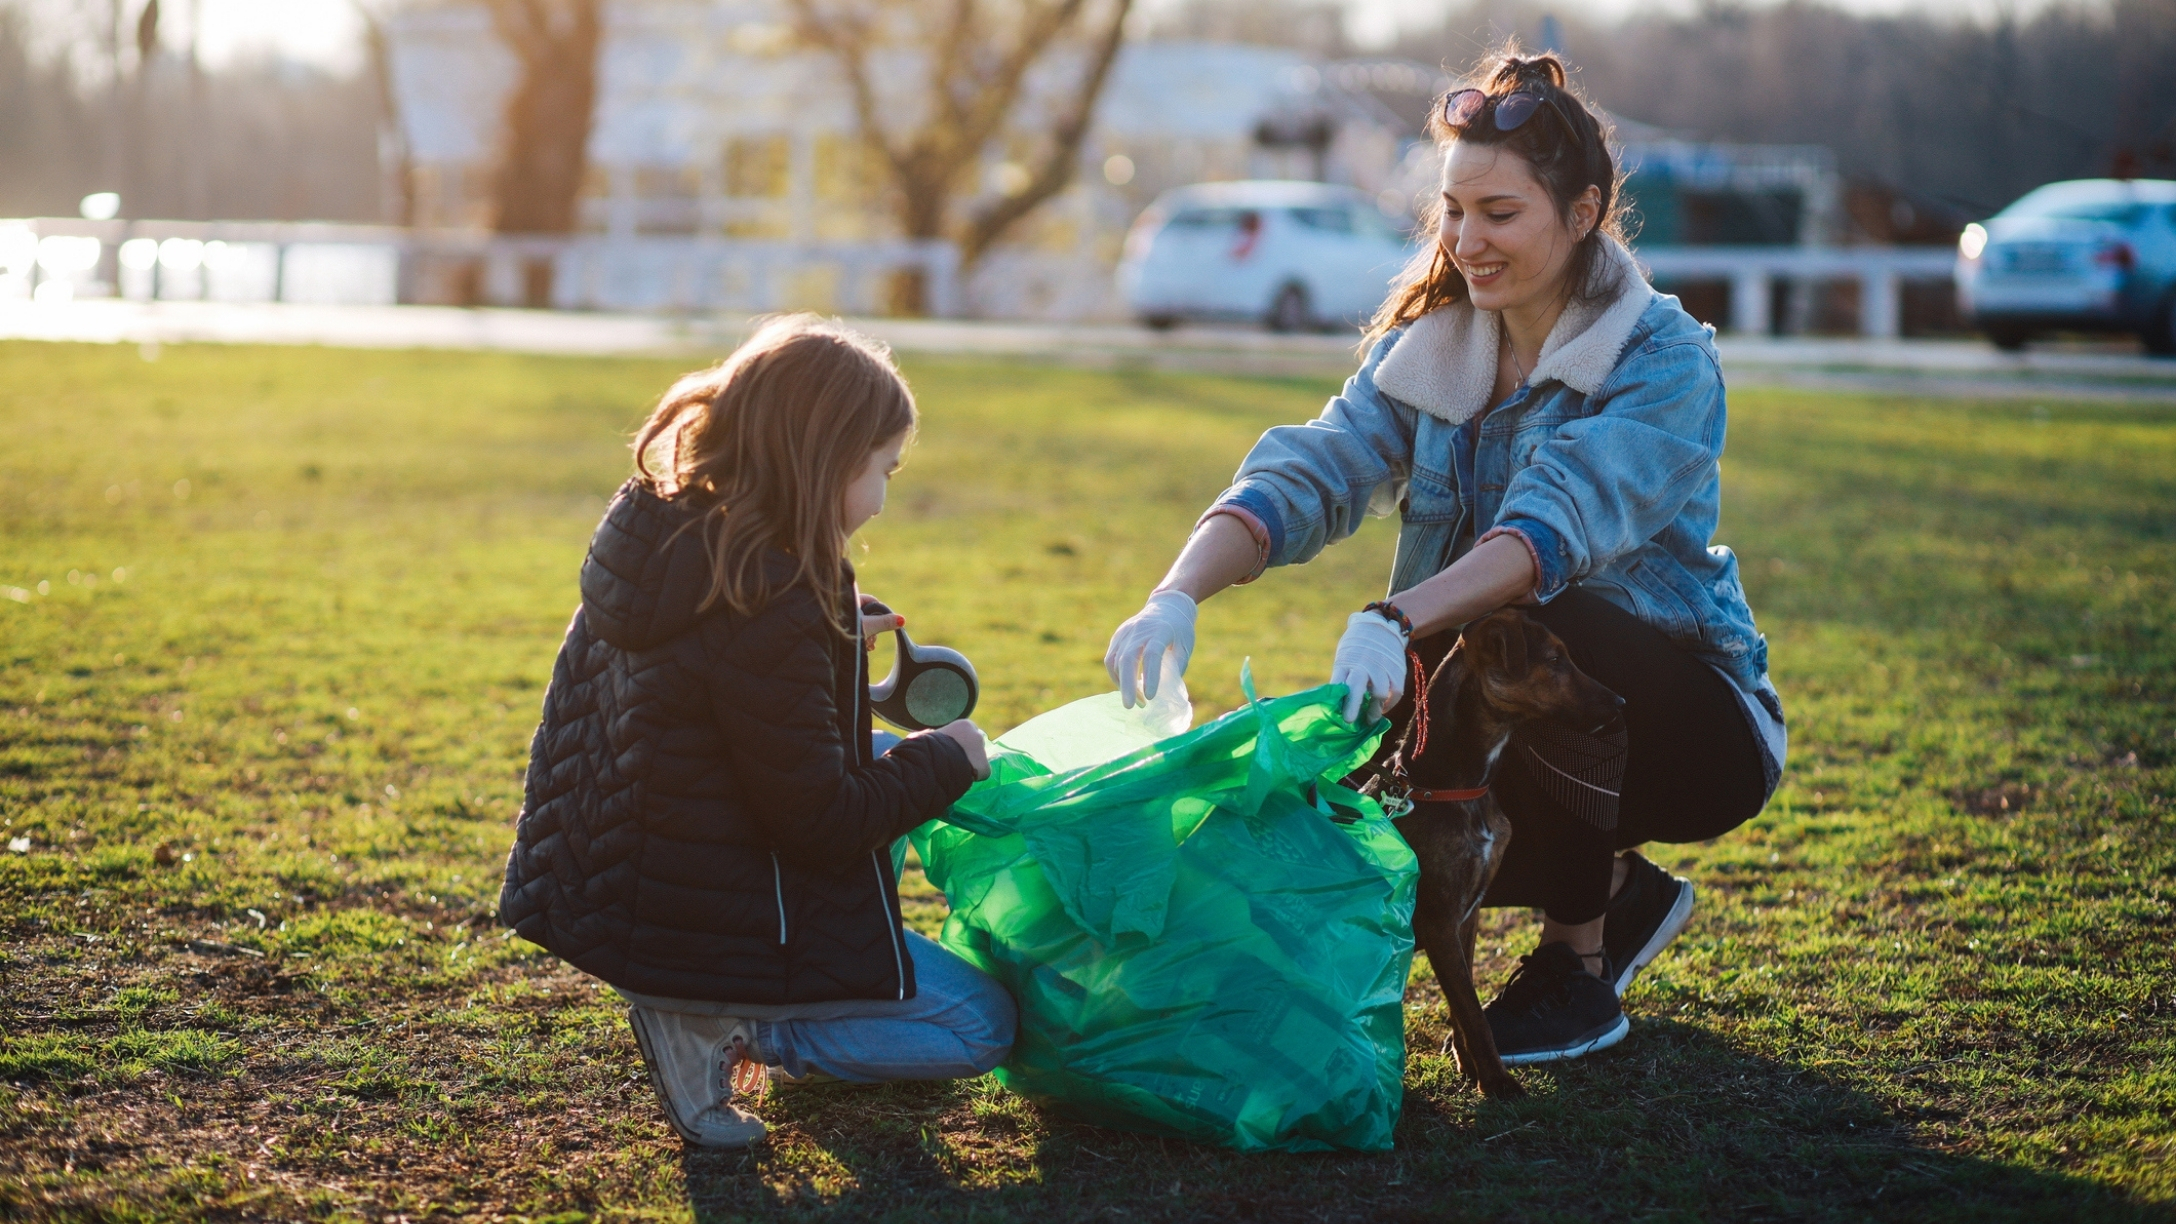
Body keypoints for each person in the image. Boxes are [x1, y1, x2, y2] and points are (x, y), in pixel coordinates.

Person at [1104, 50, 1787, 1067]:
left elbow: (1545, 532)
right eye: (1452, 211)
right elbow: (1312, 471)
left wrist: (1394, 620)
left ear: (1584, 211)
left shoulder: (1662, 361)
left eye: (1500, 213)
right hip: (1500, 698)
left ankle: (1578, 967)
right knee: (1347, 819)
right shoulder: (1428, 350)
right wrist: (1175, 593)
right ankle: (1612, 884)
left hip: (1691, 731)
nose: (1466, 241)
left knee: (1533, 624)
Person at [499, 315, 1014, 1150]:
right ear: (825, 463)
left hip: (646, 877)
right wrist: (946, 759)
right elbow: (822, 824)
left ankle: (717, 996)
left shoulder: (666, 539)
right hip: (700, 917)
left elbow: (721, 692)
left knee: (881, 759)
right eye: (884, 467)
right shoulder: (771, 601)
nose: (886, 490)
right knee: (983, 1027)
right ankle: (736, 1030)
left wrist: (831, 634)